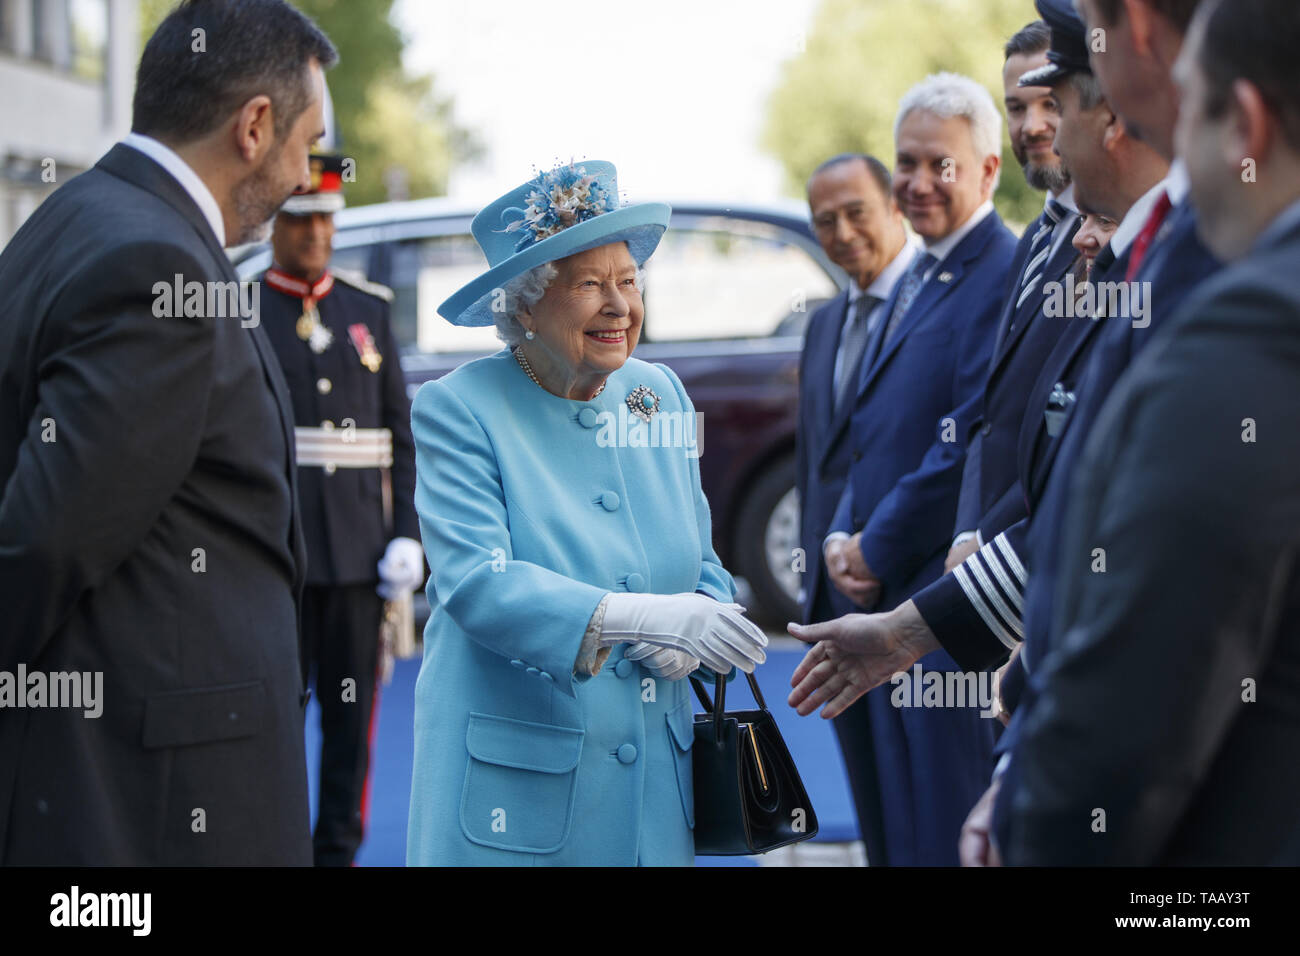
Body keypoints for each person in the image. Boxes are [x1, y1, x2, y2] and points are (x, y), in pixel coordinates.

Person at [0, 0, 336, 864]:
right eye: (310, 143)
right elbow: (41, 548)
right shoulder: (156, 266)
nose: (310, 177)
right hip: (154, 802)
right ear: (255, 126)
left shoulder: (80, 216)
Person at [1001, 0, 1300, 864]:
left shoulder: (1255, 319)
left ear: (1242, 125)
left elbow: (1144, 698)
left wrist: (1037, 828)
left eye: (1195, 114)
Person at [405, 161, 769, 866]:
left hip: (656, 799)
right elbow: (477, 585)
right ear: (526, 306)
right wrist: (641, 618)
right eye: (590, 285)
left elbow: (704, 564)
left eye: (628, 281)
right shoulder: (458, 409)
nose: (620, 306)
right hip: (521, 798)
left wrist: (693, 619)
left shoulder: (656, 395)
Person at [815, 74, 1018, 866]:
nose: (919, 181)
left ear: (988, 172)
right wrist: (841, 537)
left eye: (943, 164)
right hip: (882, 592)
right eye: (907, 162)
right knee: (895, 830)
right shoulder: (921, 274)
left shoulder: (999, 269)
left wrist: (877, 544)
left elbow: (968, 438)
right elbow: (862, 437)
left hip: (937, 597)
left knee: (941, 825)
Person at [260, 154, 421, 866]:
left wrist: (406, 536)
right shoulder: (242, 310)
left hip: (360, 562)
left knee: (352, 723)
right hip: (274, 564)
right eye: (301, 220)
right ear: (276, 224)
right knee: (269, 725)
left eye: (326, 219)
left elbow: (400, 439)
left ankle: (336, 855)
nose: (317, 233)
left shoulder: (368, 312)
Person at [796, 152, 917, 858]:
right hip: (832, 605)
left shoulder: (934, 307)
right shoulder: (823, 323)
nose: (841, 233)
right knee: (872, 807)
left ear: (895, 205)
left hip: (906, 599)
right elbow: (819, 462)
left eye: (855, 212)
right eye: (824, 221)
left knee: (926, 807)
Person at [945, 20, 1081, 580]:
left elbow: (1072, 424)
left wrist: (986, 537)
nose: (1032, 125)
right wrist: (966, 530)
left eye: (1050, 103)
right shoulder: (1032, 239)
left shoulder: (1114, 240)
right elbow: (992, 415)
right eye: (1016, 108)